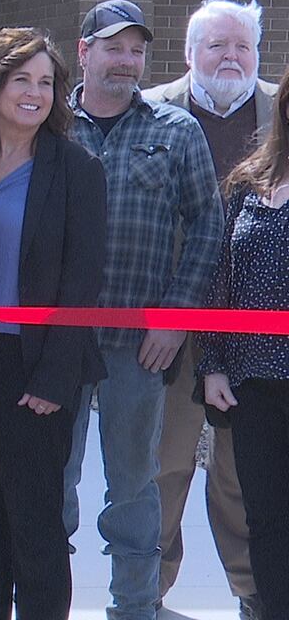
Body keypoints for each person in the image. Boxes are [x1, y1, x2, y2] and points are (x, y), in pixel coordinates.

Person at [62, 0, 224, 620]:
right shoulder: (51, 125)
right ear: (84, 50)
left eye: (136, 50)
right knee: (54, 483)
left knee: (133, 489)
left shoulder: (174, 130)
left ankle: (133, 607)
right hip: (59, 344)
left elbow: (207, 227)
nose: (127, 61)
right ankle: (48, 598)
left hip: (139, 344)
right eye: (113, 47)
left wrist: (176, 316)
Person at [0, 27, 107, 620]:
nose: (35, 93)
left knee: (35, 532)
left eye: (47, 82)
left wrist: (53, 381)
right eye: (22, 80)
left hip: (33, 370)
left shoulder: (77, 169)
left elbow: (82, 285)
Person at [141, 0, 274, 619]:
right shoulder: (153, 111)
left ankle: (255, 594)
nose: (231, 57)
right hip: (172, 324)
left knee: (241, 479)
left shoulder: (281, 109)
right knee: (164, 469)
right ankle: (150, 590)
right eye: (217, 46)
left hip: (257, 334)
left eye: (242, 46)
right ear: (189, 53)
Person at [198, 67, 289, 620]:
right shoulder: (248, 181)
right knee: (266, 517)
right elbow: (220, 278)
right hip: (253, 382)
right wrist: (212, 363)